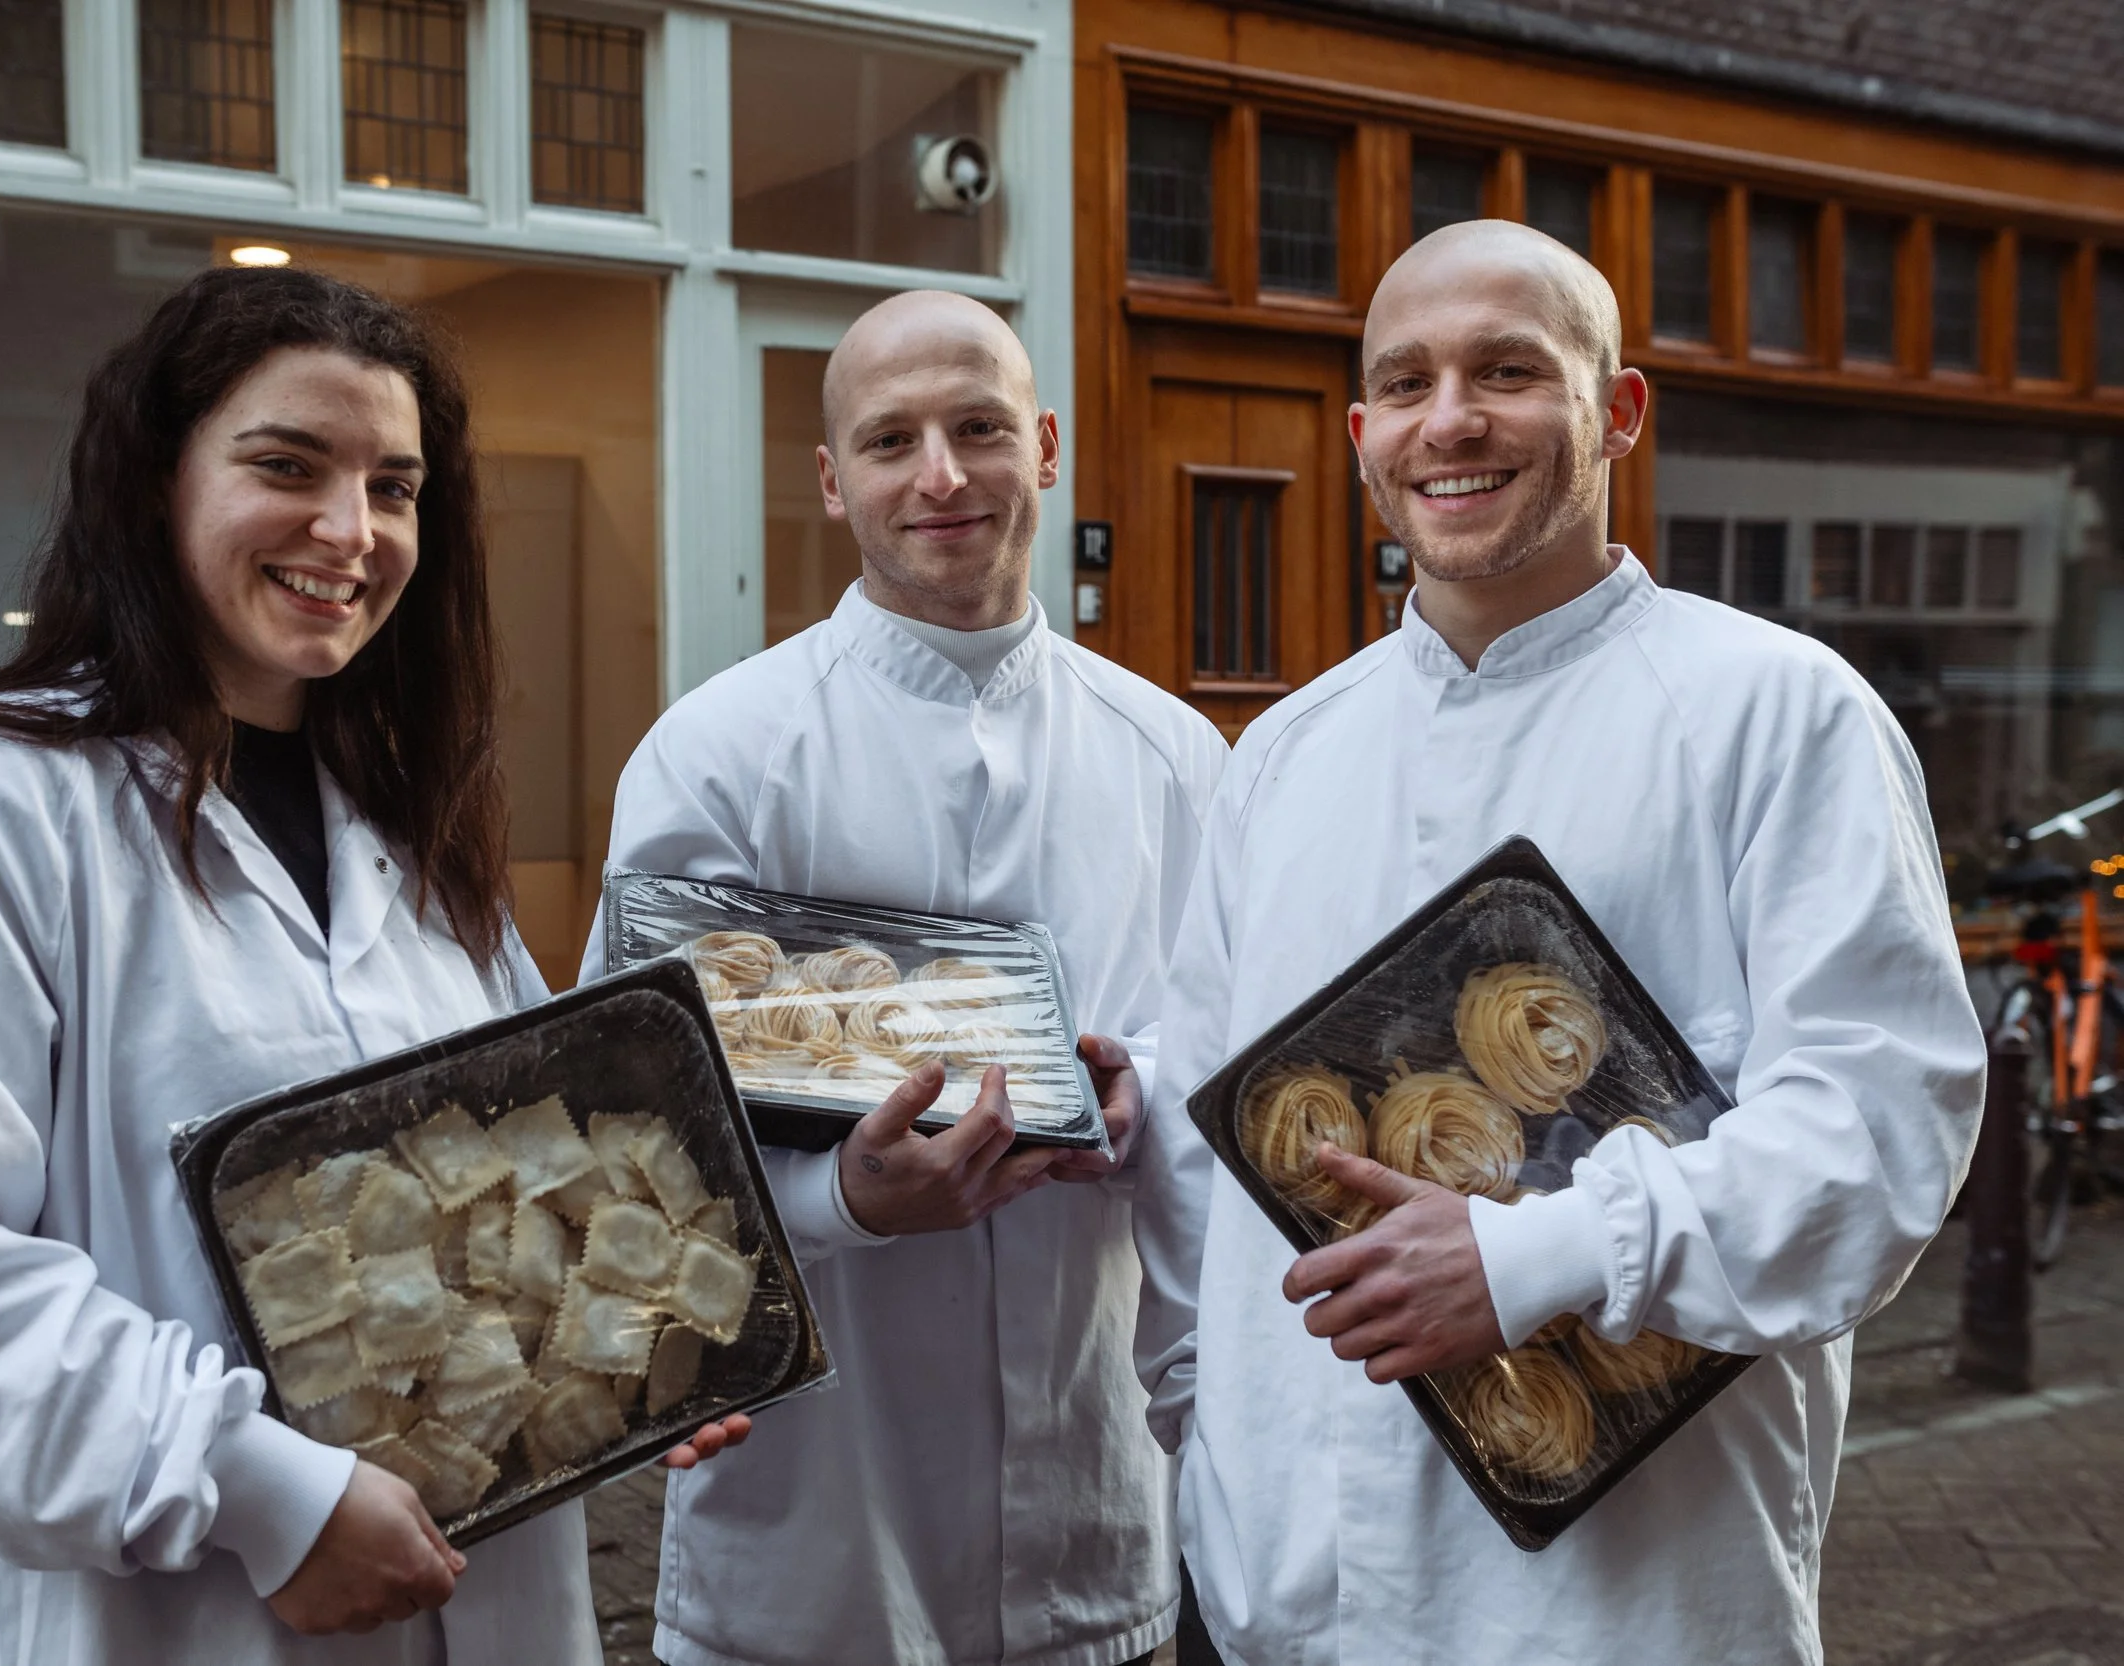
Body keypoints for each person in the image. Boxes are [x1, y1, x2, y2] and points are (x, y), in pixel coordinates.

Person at [0, 265, 743, 1666]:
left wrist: (634, 1348)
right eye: (288, 466)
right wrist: (266, 1495)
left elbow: (542, 1187)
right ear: (153, 480)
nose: (350, 530)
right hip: (155, 1615)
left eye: (396, 487)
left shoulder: (416, 836)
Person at [1135, 220, 1987, 1664]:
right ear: (1360, 435)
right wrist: (1210, 1442)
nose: (1450, 419)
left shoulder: (1779, 715)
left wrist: (1544, 1251)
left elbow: (1877, 1128)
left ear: (1621, 411)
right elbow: (1200, 1147)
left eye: (1507, 371)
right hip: (1287, 1598)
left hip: (1625, 1610)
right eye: (1406, 384)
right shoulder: (1282, 755)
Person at [585, 289, 1229, 1666]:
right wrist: (843, 1201)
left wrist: (1144, 1092)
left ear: (1045, 447)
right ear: (833, 480)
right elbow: (624, 1135)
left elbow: (1235, 1063)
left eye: (979, 427)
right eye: (890, 441)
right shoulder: (719, 755)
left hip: (1097, 1531)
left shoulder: (1180, 760)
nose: (940, 474)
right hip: (813, 1554)